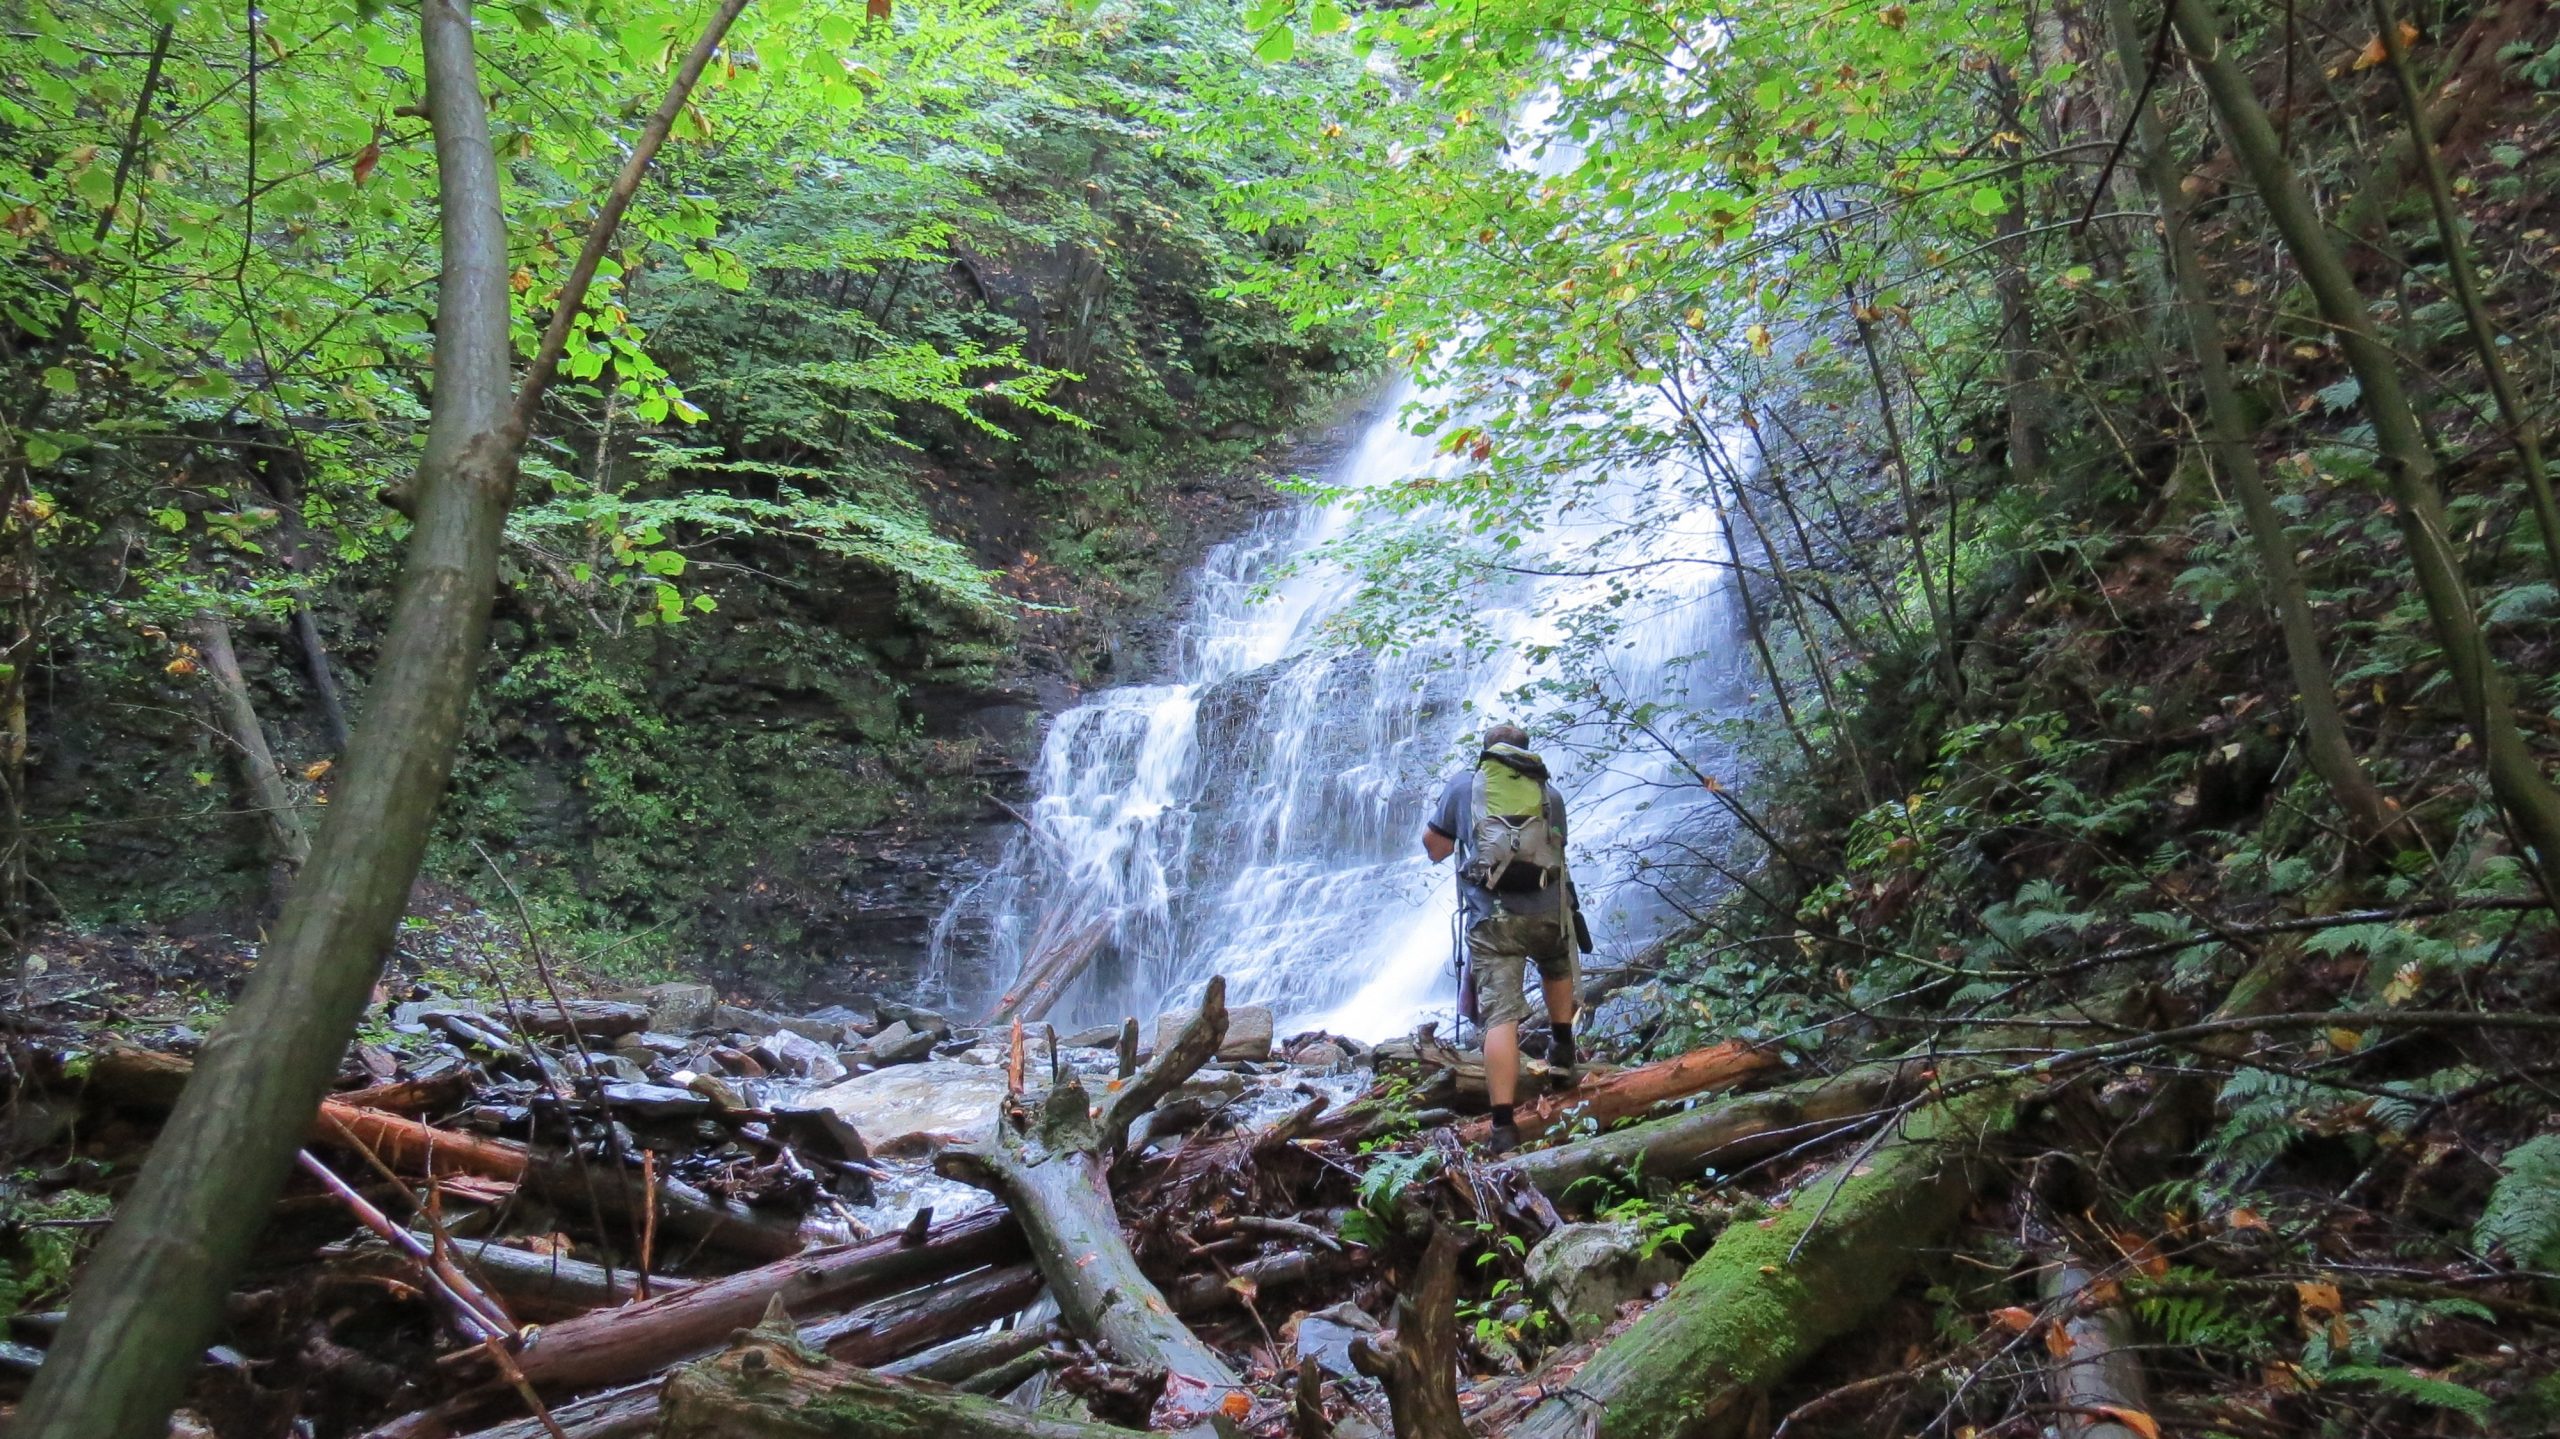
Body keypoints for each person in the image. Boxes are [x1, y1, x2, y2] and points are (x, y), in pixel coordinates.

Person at [1421, 722, 1586, 1156]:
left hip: (1493, 919)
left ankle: (1503, 1128)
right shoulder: (1549, 795)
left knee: (1501, 1019)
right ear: (1526, 755)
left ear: (1487, 753)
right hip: (1548, 910)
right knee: (1554, 962)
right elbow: (1558, 852)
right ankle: (1563, 1052)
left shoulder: (1465, 787)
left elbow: (1434, 848)